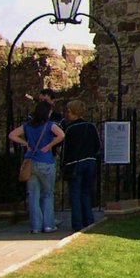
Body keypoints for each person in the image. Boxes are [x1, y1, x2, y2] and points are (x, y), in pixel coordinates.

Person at [9, 100, 66, 234]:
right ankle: (48, 225)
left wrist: (25, 143)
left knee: (33, 195)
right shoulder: (50, 125)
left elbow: (12, 135)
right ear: (47, 112)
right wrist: (50, 145)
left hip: (31, 161)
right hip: (45, 161)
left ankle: (35, 226)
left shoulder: (28, 126)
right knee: (48, 194)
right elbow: (62, 135)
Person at [61, 99, 101, 231]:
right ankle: (89, 221)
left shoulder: (70, 129)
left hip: (75, 164)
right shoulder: (91, 127)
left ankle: (77, 224)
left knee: (75, 194)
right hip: (90, 162)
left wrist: (64, 166)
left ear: (72, 112)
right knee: (86, 192)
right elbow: (97, 145)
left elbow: (66, 150)